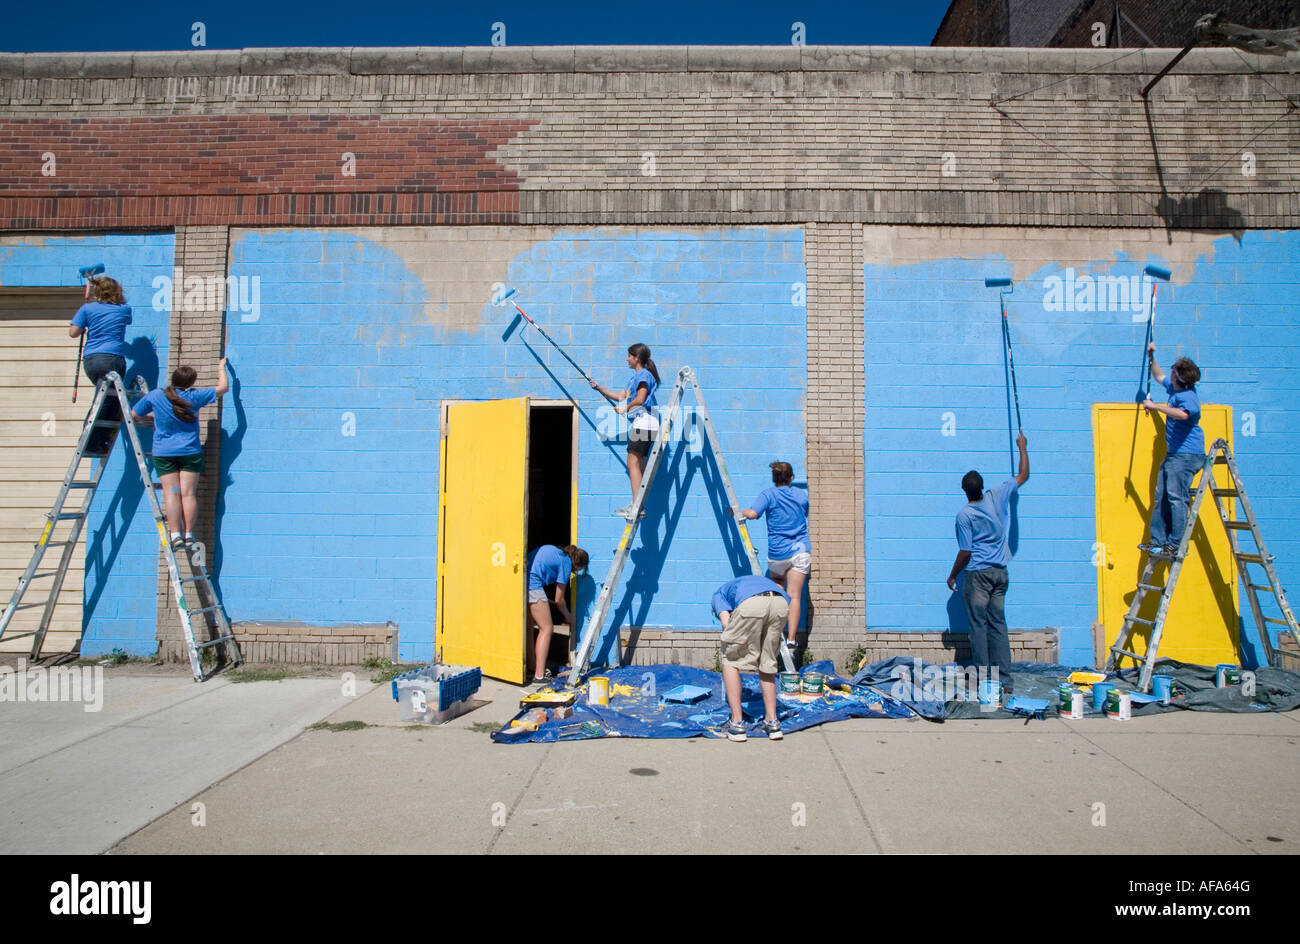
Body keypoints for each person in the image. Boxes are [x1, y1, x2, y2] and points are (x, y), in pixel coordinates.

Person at [946, 431, 1029, 695]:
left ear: (964, 491)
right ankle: (1005, 680)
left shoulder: (965, 515)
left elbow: (965, 551)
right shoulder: (997, 495)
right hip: (1000, 573)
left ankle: (983, 680)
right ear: (981, 487)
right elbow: (1023, 476)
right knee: (998, 626)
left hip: (978, 576)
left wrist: (952, 575)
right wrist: (1023, 447)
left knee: (978, 628)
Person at [131, 359, 228, 551]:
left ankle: (175, 534)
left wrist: (155, 416)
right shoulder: (195, 396)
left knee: (172, 494)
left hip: (164, 453)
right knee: (188, 494)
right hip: (190, 452)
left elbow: (134, 414)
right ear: (191, 382)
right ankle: (188, 534)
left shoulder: (156, 395)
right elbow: (223, 387)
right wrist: (220, 368)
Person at [1140, 344, 1204, 557]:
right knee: (1162, 497)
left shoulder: (1188, 397)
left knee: (1177, 498)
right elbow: (1159, 377)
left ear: (1178, 376)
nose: (1170, 373)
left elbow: (1184, 415)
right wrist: (1151, 358)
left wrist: (1155, 406)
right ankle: (1158, 541)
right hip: (1174, 454)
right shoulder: (1177, 389)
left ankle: (1174, 544)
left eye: (1173, 370)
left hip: (1187, 455)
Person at [737, 461, 810, 647]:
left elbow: (753, 514)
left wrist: (737, 512)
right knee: (795, 596)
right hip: (800, 551)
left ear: (774, 478)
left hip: (779, 554)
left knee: (779, 592)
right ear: (791, 477)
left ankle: (776, 633)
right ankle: (792, 640)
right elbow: (804, 513)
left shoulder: (768, 495)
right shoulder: (801, 495)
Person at [711, 574, 790, 742]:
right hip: (780, 603)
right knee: (768, 661)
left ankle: (737, 724)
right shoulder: (750, 582)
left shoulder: (719, 595)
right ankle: (772, 722)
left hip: (751, 604)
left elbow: (727, 624)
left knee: (730, 659)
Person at [589, 344, 660, 519]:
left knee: (632, 463)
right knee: (638, 464)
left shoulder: (644, 375)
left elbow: (641, 399)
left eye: (629, 356)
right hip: (645, 424)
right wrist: (599, 388)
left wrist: (625, 409)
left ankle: (637, 506)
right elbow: (620, 396)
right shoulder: (633, 379)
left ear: (636, 357)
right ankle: (638, 504)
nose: (626, 359)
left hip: (644, 423)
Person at [68, 276, 133, 454]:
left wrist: (86, 318)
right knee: (108, 401)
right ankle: (91, 439)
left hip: (93, 359)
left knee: (105, 399)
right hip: (114, 358)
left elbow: (73, 333)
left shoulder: (87, 309)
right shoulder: (124, 310)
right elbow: (123, 323)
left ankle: (95, 440)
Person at [525, 543, 589, 687]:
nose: (575, 573)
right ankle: (539, 675)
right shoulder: (566, 564)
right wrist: (568, 617)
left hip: (523, 580)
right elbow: (559, 600)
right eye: (578, 570)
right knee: (547, 628)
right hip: (533, 584)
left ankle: (532, 667)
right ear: (577, 565)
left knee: (530, 628)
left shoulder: (557, 552)